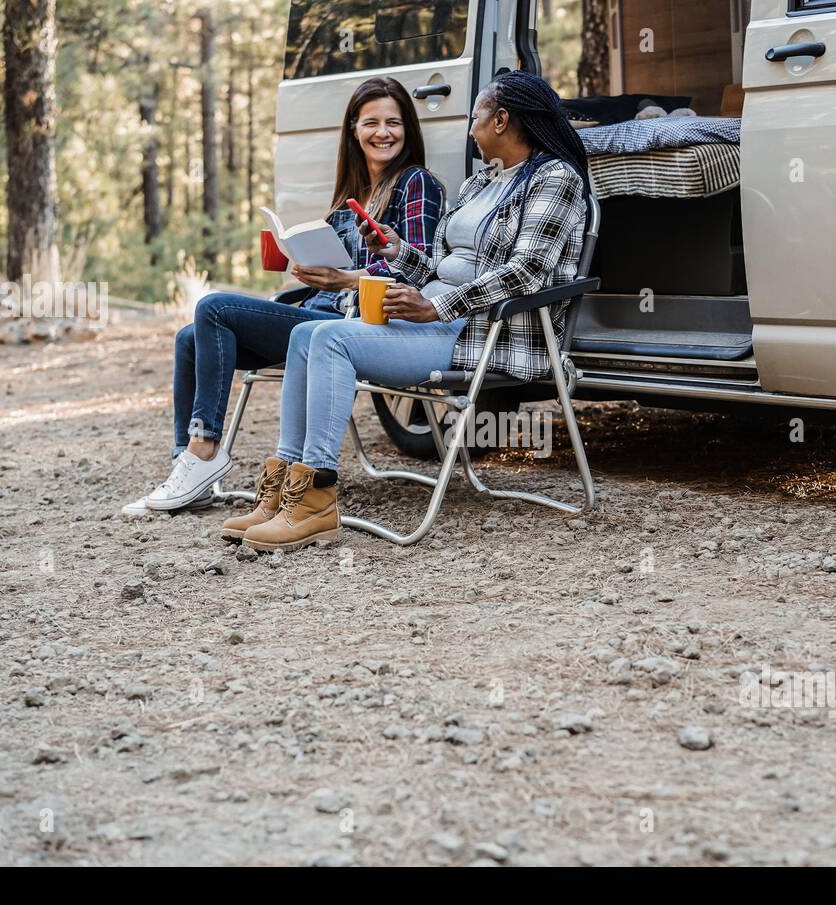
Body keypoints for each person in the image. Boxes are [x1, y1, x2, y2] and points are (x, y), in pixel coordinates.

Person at [233, 71, 589, 552]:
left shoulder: (554, 179)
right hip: (438, 320)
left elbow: (526, 273)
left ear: (502, 121)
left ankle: (315, 498)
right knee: (303, 337)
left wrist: (435, 306)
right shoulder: (480, 183)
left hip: (481, 335)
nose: (470, 129)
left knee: (330, 339)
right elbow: (443, 265)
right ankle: (284, 491)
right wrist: (398, 252)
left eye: (477, 117)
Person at [126, 77, 445, 518]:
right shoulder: (351, 196)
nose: (382, 132)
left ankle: (204, 453)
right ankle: (189, 464)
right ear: (353, 129)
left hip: (346, 326)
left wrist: (347, 280)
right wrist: (304, 263)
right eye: (371, 122)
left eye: (393, 122)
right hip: (313, 313)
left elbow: (418, 264)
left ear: (408, 129)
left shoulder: (417, 183)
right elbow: (328, 268)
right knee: (189, 338)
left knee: (213, 308)